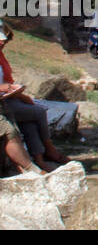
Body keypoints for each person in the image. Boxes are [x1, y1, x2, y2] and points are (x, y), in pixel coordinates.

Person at [0, 20, 70, 172]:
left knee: (29, 122)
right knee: (37, 113)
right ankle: (47, 152)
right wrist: (14, 92)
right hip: (5, 102)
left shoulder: (1, 56)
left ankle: (39, 161)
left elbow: (6, 81)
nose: (3, 44)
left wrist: (15, 92)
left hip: (7, 99)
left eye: (4, 42)